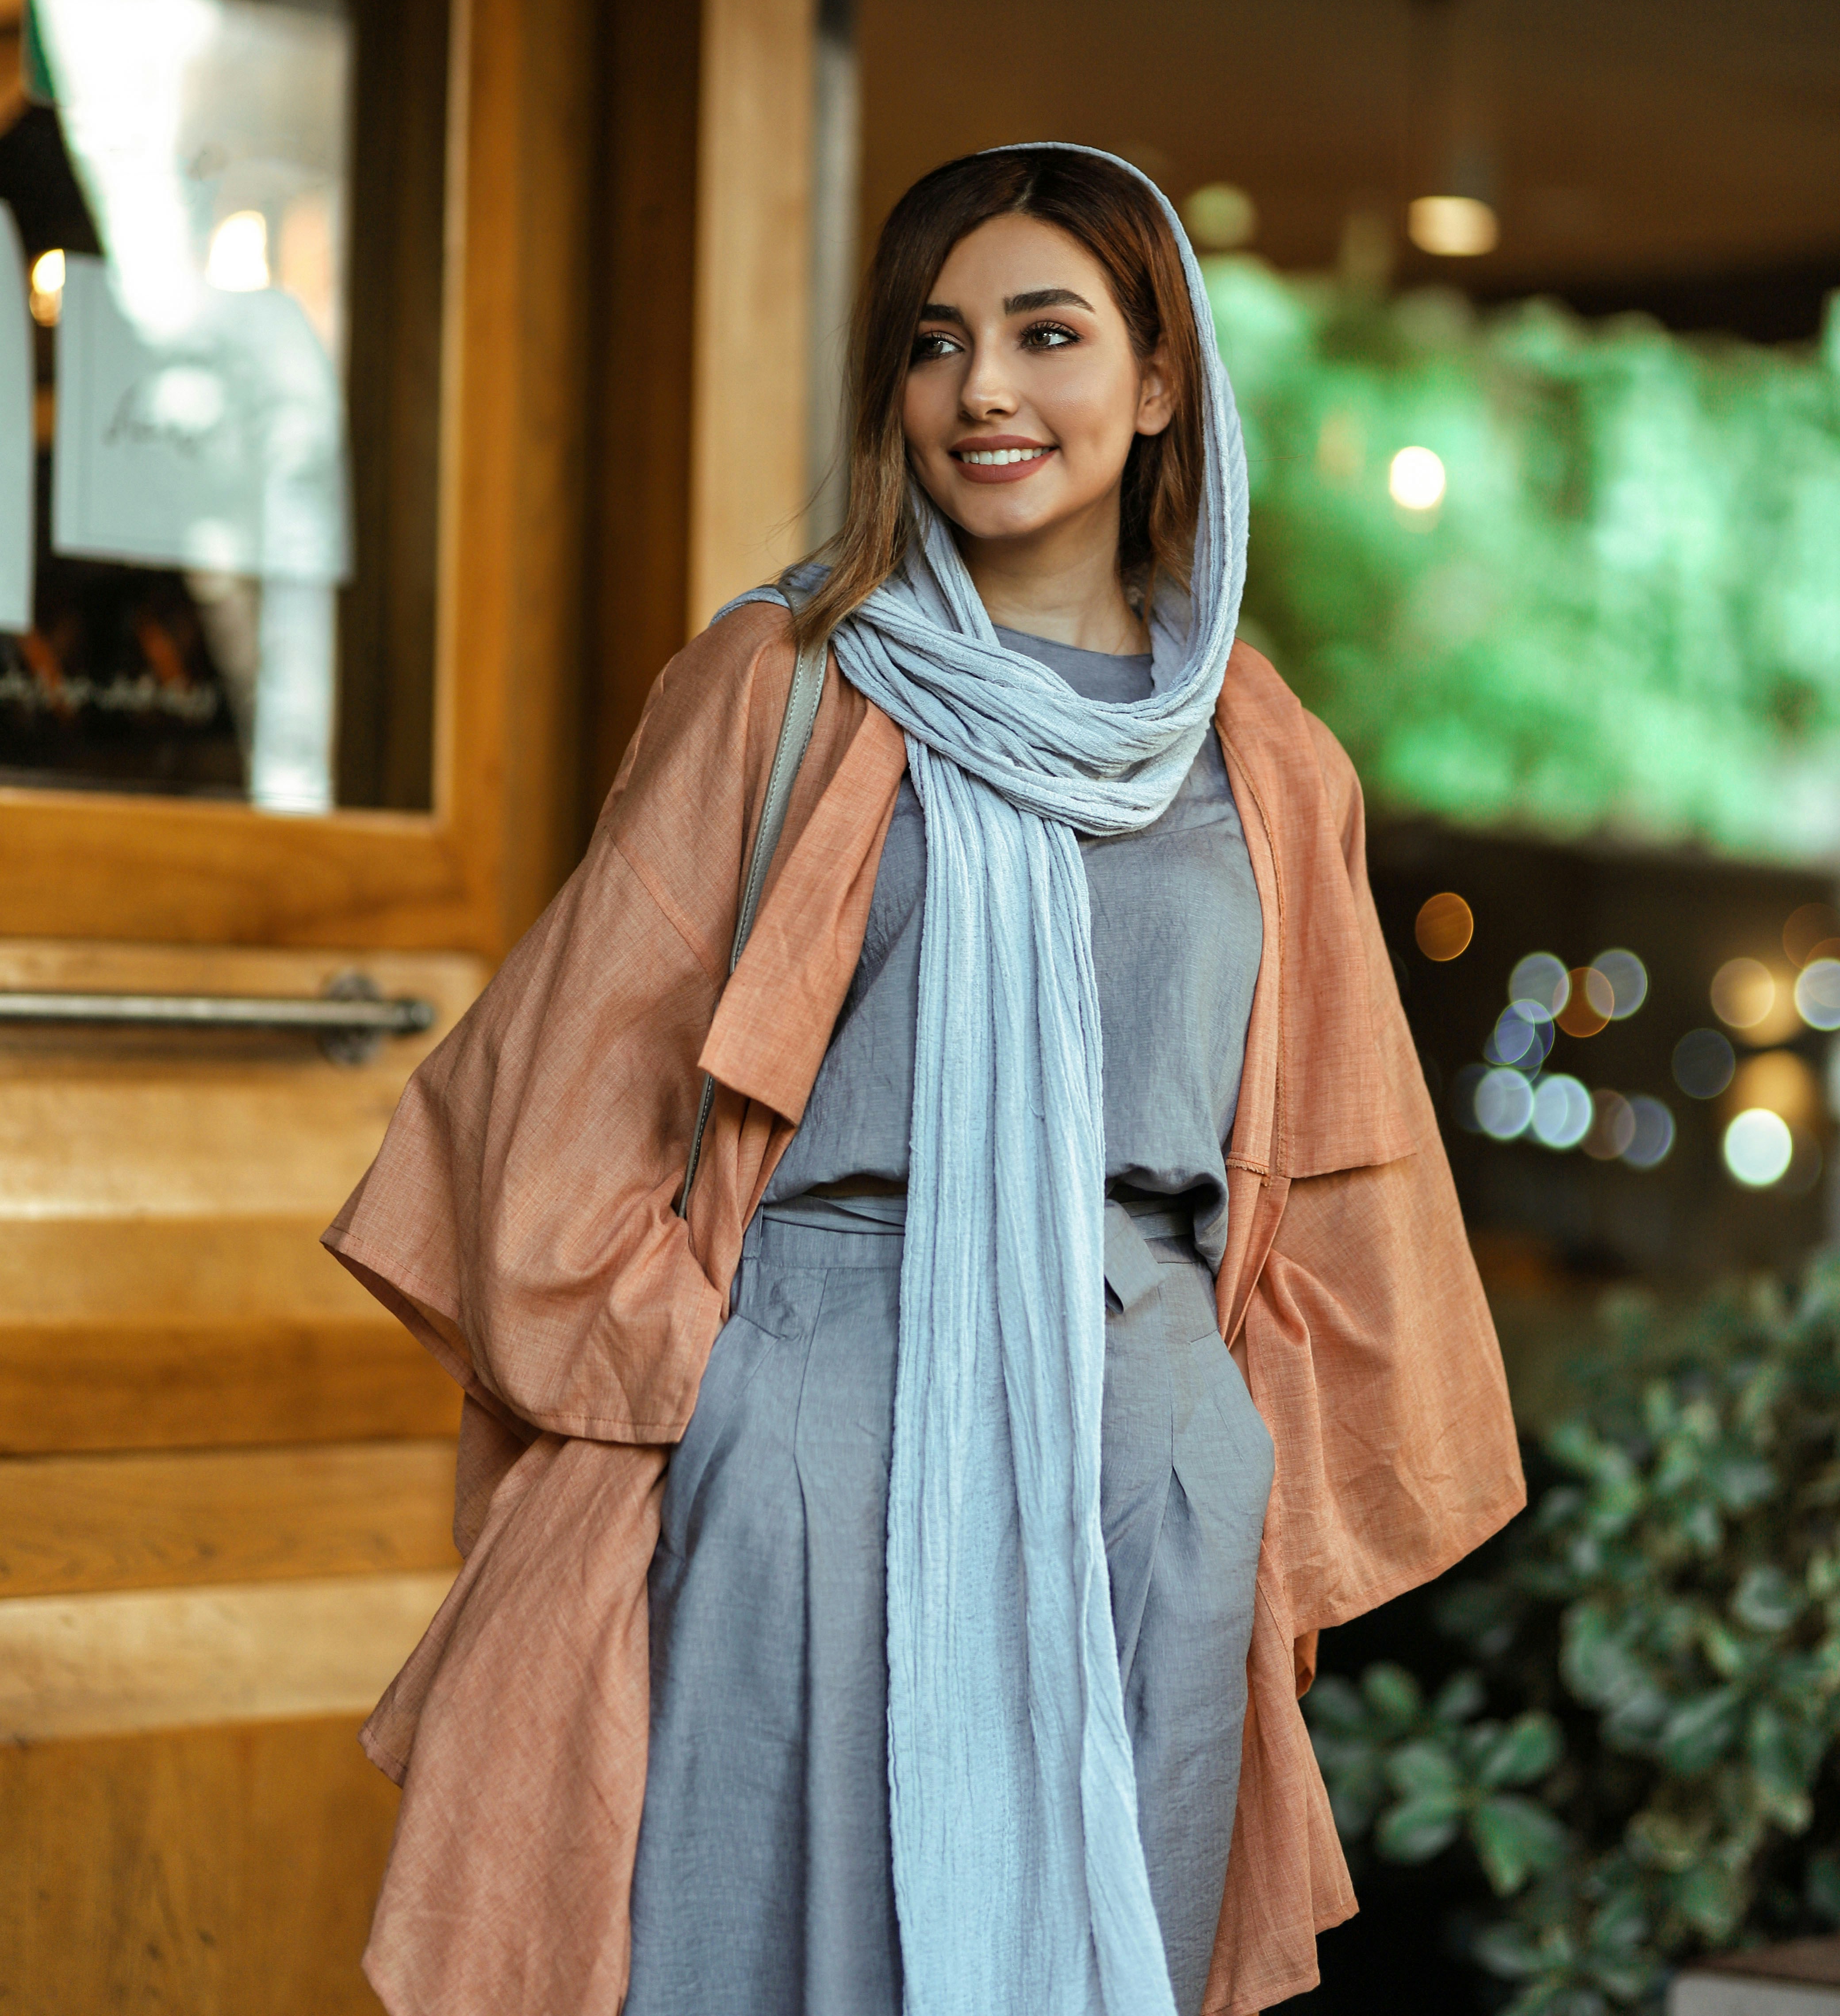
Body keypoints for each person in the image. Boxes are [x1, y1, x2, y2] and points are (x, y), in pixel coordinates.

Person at [326, 146, 1523, 2016]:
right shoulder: (785, 678)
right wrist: (712, 1378)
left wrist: (1230, 1447)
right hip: (815, 1400)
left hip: (1136, 1438)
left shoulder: (1262, 751)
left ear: (1152, 385)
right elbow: (558, 1081)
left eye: (1046, 334)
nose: (980, 389)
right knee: (757, 1952)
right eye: (933, 342)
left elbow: (1336, 1165)